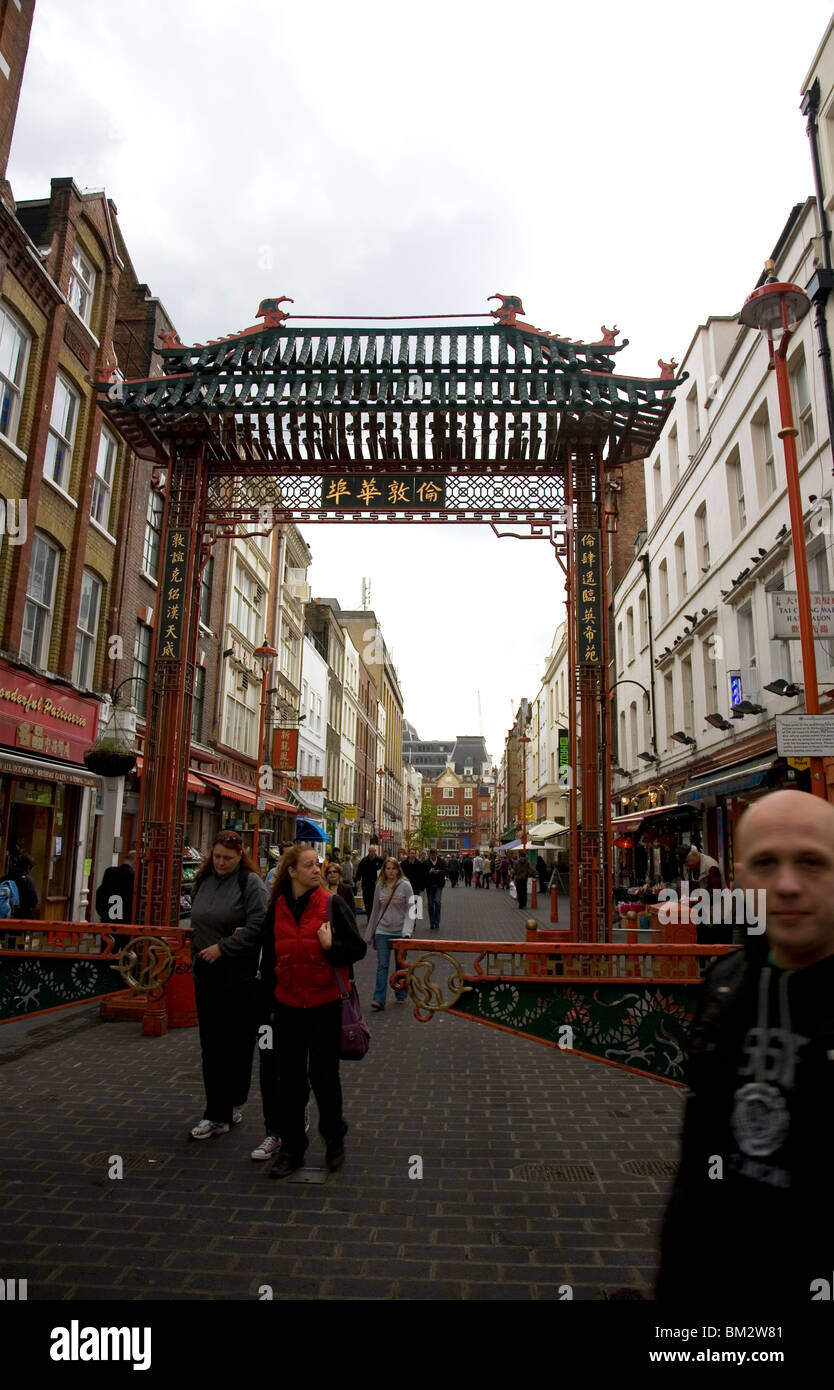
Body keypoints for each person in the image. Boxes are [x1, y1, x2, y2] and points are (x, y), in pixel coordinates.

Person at [656, 790, 834, 1304]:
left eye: (811, 862)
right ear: (739, 881)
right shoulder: (726, 985)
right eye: (764, 863)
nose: (786, 884)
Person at [259, 845, 366, 1177]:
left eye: (317, 865)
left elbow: (358, 949)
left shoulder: (331, 905)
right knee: (289, 1081)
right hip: (288, 1006)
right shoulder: (276, 909)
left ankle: (334, 1138)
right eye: (308, 866)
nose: (316, 870)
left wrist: (331, 948)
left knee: (323, 1076)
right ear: (291, 871)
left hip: (324, 1006)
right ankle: (292, 1149)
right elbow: (268, 957)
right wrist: (268, 1005)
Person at [188, 831, 269, 1140]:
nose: (221, 863)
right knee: (211, 1045)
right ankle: (216, 1111)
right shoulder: (203, 881)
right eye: (217, 856)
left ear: (240, 858)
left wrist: (224, 947)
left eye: (228, 858)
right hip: (206, 974)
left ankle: (228, 1106)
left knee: (236, 1044)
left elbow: (259, 926)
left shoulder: (250, 884)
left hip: (239, 975)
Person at [366, 857, 413, 1010]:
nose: (390, 871)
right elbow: (375, 909)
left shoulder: (406, 885)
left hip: (400, 931)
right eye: (388, 868)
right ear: (384, 870)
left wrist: (407, 932)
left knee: (400, 965)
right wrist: (369, 933)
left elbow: (411, 911)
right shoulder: (380, 886)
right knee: (382, 965)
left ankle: (400, 992)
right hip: (382, 930)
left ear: (398, 870)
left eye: (393, 868)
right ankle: (379, 999)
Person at [94, 849, 136, 923]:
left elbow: (100, 893)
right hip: (126, 919)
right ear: (135, 861)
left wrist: (103, 914)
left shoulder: (109, 871)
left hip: (108, 917)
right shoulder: (133, 875)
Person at [357, 843, 385, 916]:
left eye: (373, 851)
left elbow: (384, 871)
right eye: (370, 851)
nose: (371, 853)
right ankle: (369, 916)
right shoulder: (364, 860)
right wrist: (358, 880)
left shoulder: (380, 860)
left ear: (375, 851)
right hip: (366, 884)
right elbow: (359, 870)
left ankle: (374, 916)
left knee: (375, 901)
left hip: (376, 884)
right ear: (368, 851)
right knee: (367, 901)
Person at [11, 853, 39, 919]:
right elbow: (34, 901)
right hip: (22, 917)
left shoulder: (5, 878)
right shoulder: (27, 880)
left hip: (4, 917)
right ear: (28, 867)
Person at [424, 849, 446, 930]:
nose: (433, 856)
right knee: (430, 904)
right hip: (429, 886)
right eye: (432, 854)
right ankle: (432, 922)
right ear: (430, 854)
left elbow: (446, 871)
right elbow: (423, 873)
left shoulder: (442, 862)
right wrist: (429, 872)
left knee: (437, 902)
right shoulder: (426, 862)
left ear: (437, 854)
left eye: (434, 854)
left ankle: (437, 921)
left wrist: (439, 871)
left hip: (438, 885)